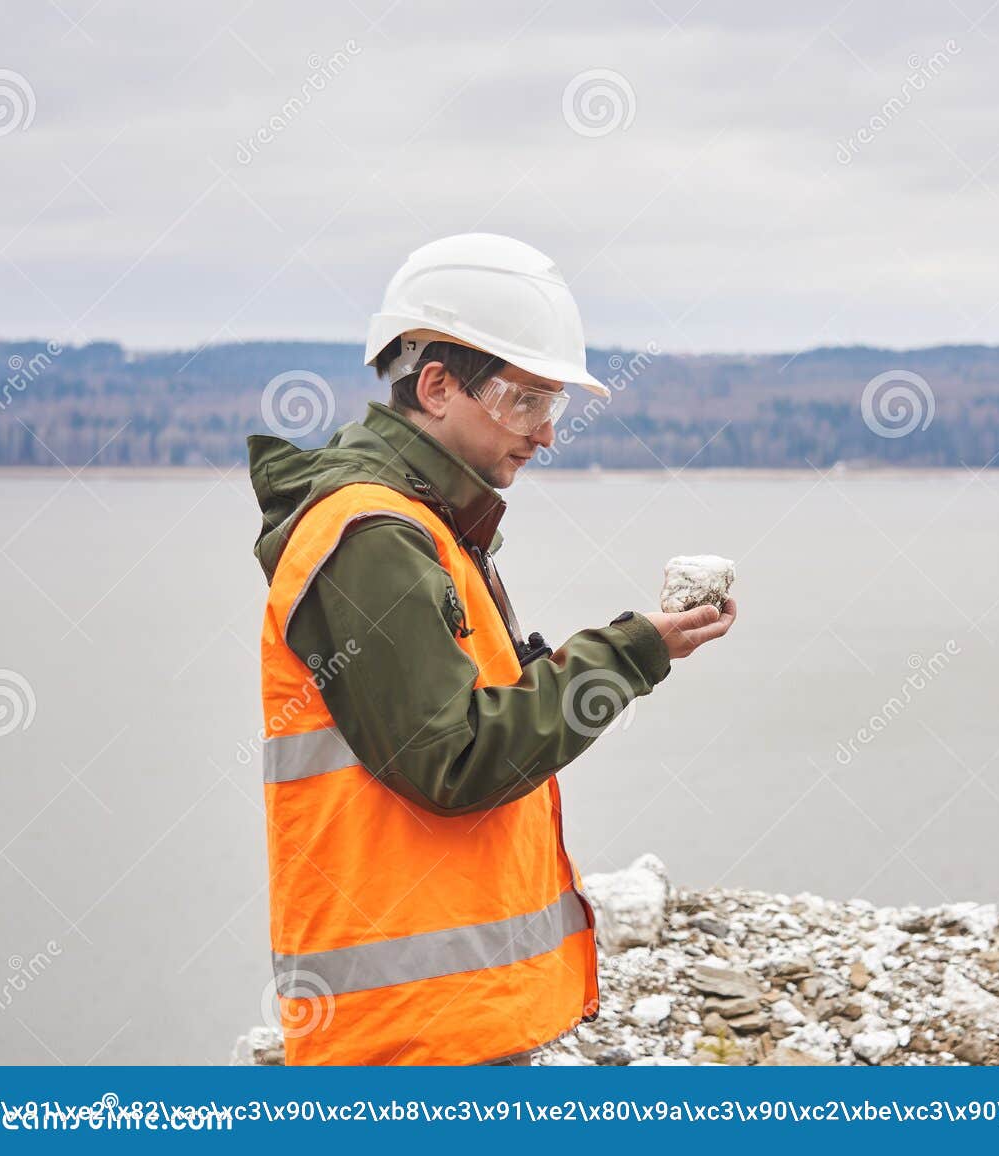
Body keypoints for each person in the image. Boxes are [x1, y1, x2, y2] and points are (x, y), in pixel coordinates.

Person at [246, 233, 736, 1065]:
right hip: (409, 1046)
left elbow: (460, 719)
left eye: (557, 407)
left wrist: (637, 649)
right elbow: (455, 761)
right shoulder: (371, 537)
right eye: (525, 401)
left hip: (449, 1024)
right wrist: (625, 656)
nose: (546, 433)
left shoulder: (426, 525)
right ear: (436, 386)